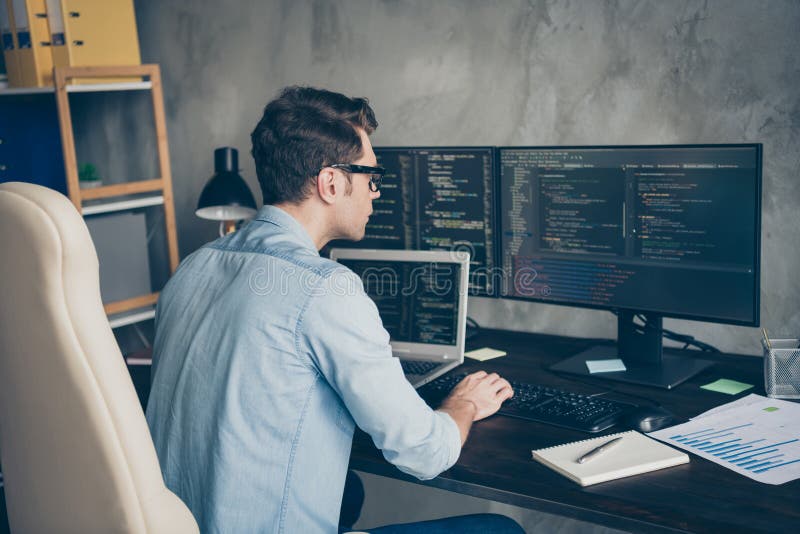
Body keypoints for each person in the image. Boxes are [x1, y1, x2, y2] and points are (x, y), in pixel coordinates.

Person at [146, 86, 522, 533]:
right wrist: (462, 404)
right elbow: (424, 453)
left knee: (349, 490)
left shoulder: (193, 266)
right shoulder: (324, 289)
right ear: (331, 183)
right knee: (501, 530)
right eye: (371, 178)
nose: (375, 194)